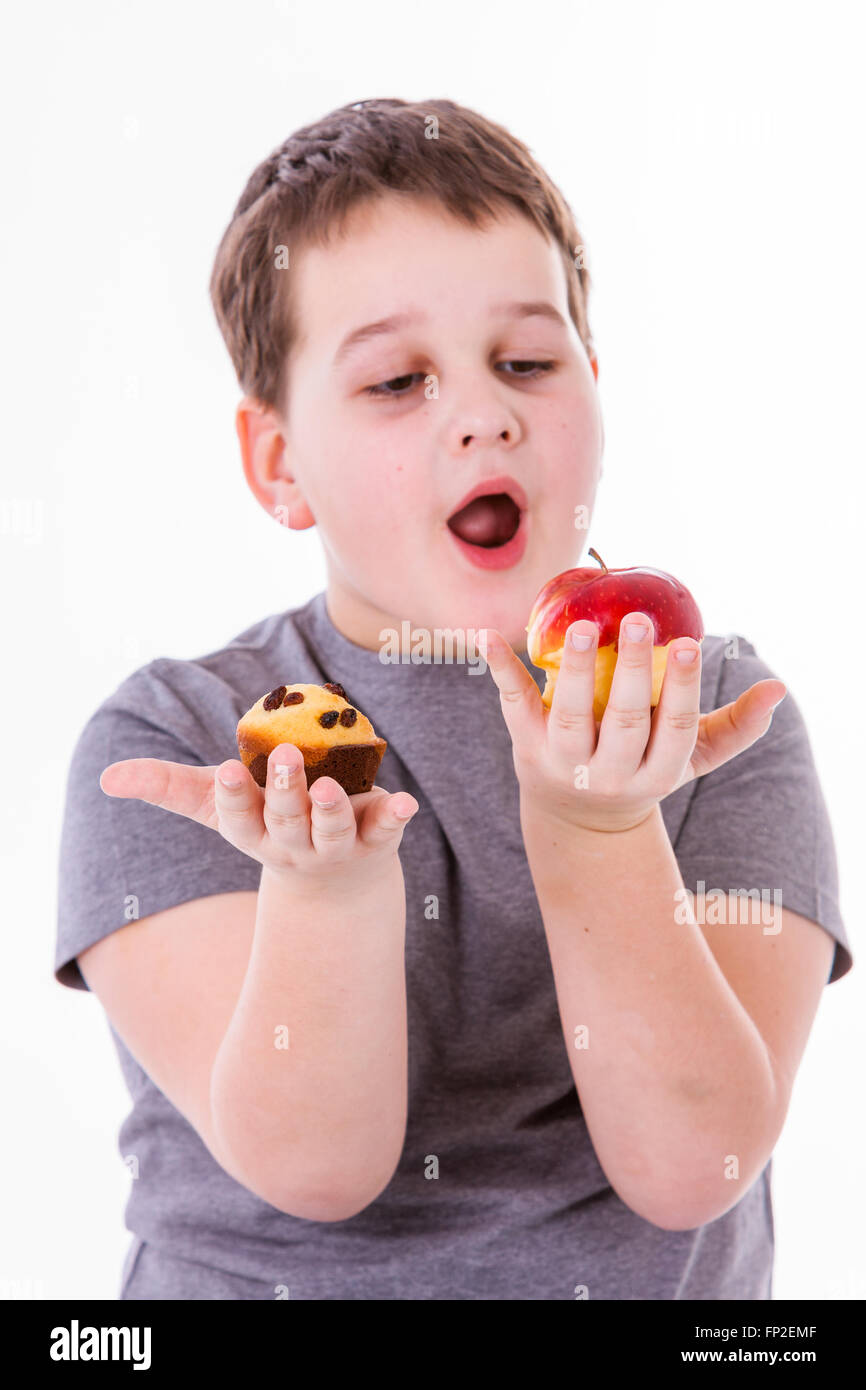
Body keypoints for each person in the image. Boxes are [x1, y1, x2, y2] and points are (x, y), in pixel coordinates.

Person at [55, 97, 852, 1300]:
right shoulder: (184, 741)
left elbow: (701, 1163)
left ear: (594, 382)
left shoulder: (708, 714)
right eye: (396, 381)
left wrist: (602, 829)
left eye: (527, 361)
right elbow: (314, 1166)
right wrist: (323, 887)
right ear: (279, 464)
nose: (485, 412)